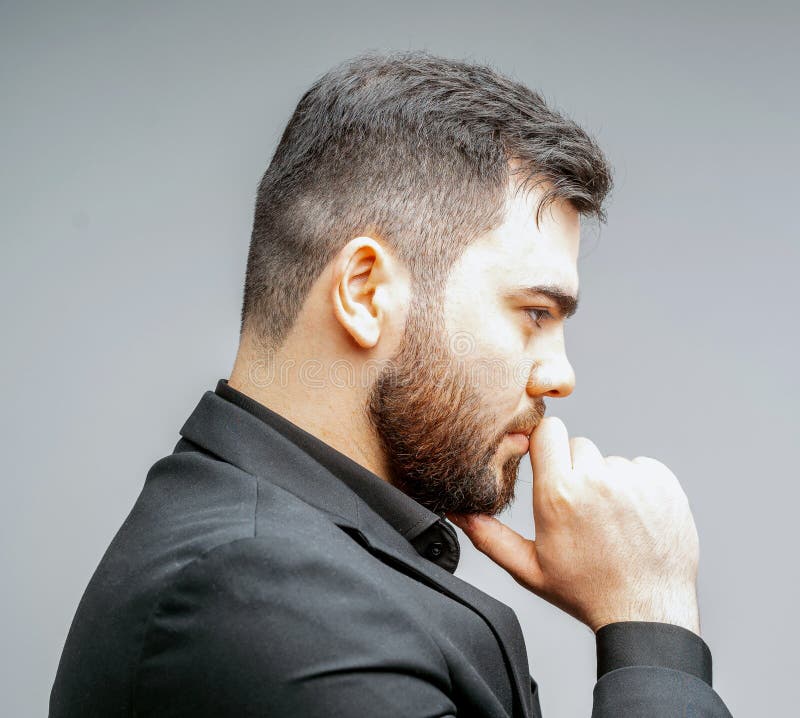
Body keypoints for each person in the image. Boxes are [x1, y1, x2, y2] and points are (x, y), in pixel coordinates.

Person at [50, 50, 733, 717]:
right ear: (366, 292)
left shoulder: (287, 564)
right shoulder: (263, 600)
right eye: (534, 312)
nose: (561, 376)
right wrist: (652, 628)